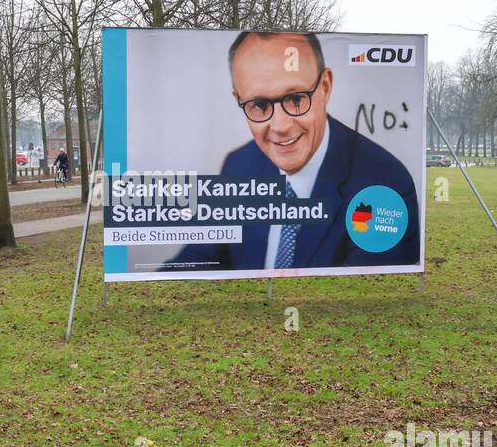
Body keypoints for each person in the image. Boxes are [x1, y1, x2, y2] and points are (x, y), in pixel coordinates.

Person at [166, 30, 419, 272]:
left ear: (325, 88)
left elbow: (371, 296)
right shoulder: (239, 165)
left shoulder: (386, 186)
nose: (280, 127)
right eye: (259, 105)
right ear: (239, 100)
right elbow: (198, 258)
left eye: (296, 99)